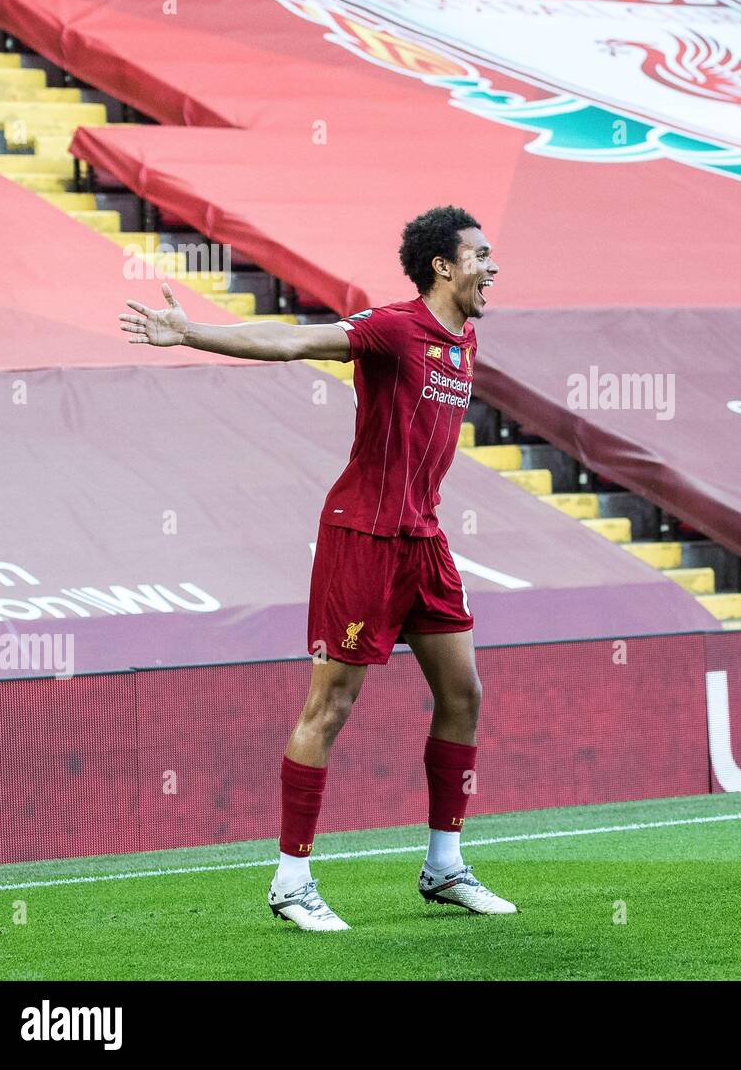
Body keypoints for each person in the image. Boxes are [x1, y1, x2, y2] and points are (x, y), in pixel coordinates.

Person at [120, 205, 514, 929]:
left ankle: (444, 866)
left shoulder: (466, 344)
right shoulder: (394, 329)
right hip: (360, 536)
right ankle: (291, 881)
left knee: (465, 696)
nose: (493, 267)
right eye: (481, 255)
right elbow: (293, 341)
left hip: (423, 542)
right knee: (329, 708)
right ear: (444, 266)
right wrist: (193, 333)